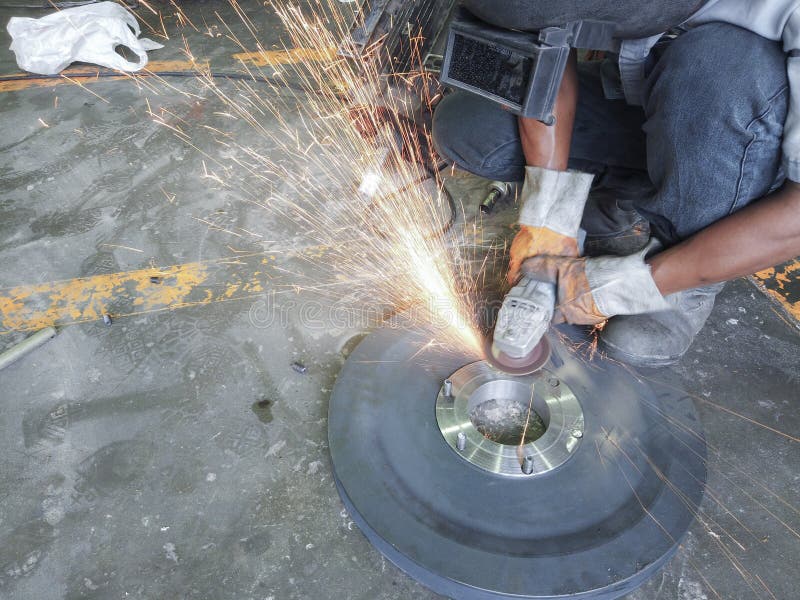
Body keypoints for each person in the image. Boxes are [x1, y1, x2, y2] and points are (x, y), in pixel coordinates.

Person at [432, 0, 800, 367]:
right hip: (648, 97)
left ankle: (683, 277)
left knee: (719, 66)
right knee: (472, 126)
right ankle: (613, 203)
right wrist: (548, 212)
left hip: (738, 132)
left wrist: (637, 284)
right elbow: (544, 58)